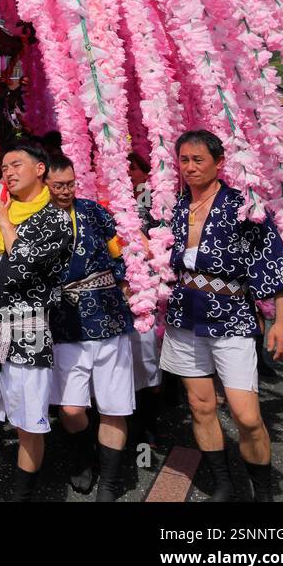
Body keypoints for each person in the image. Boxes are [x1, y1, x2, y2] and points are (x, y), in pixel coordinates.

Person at [160, 129, 283, 501]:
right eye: (184, 160)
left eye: (198, 160)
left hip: (232, 315)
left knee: (247, 415)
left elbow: (276, 263)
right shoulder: (175, 206)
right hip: (184, 314)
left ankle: (263, 491)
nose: (189, 167)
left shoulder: (243, 205)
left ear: (219, 163)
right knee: (200, 405)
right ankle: (222, 481)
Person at [0, 139, 74, 501]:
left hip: (29, 329)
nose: (7, 172)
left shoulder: (56, 218)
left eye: (16, 164)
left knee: (28, 426)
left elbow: (24, 267)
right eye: (4, 166)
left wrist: (4, 220)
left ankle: (23, 492)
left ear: (40, 169)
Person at [45, 154, 135, 501]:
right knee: (70, 408)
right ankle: (83, 457)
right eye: (58, 185)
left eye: (70, 184)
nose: (66, 191)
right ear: (45, 184)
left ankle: (110, 481)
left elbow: (120, 252)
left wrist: (126, 282)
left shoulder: (95, 212)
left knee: (113, 406)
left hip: (108, 314)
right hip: (64, 321)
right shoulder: (33, 219)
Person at [126, 151, 164, 448]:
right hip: (118, 290)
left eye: (134, 168)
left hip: (148, 291)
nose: (129, 174)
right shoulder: (107, 200)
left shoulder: (152, 203)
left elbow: (158, 248)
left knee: (146, 357)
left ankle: (149, 423)